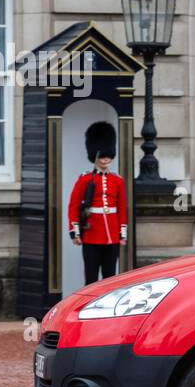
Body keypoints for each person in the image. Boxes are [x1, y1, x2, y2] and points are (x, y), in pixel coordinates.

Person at [68, 121, 127, 284]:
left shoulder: (118, 181)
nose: (105, 158)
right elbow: (73, 206)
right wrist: (75, 231)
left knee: (110, 278)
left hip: (112, 236)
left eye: (108, 155)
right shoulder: (84, 179)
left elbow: (122, 208)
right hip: (91, 234)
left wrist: (122, 234)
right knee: (91, 277)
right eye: (101, 155)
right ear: (94, 155)